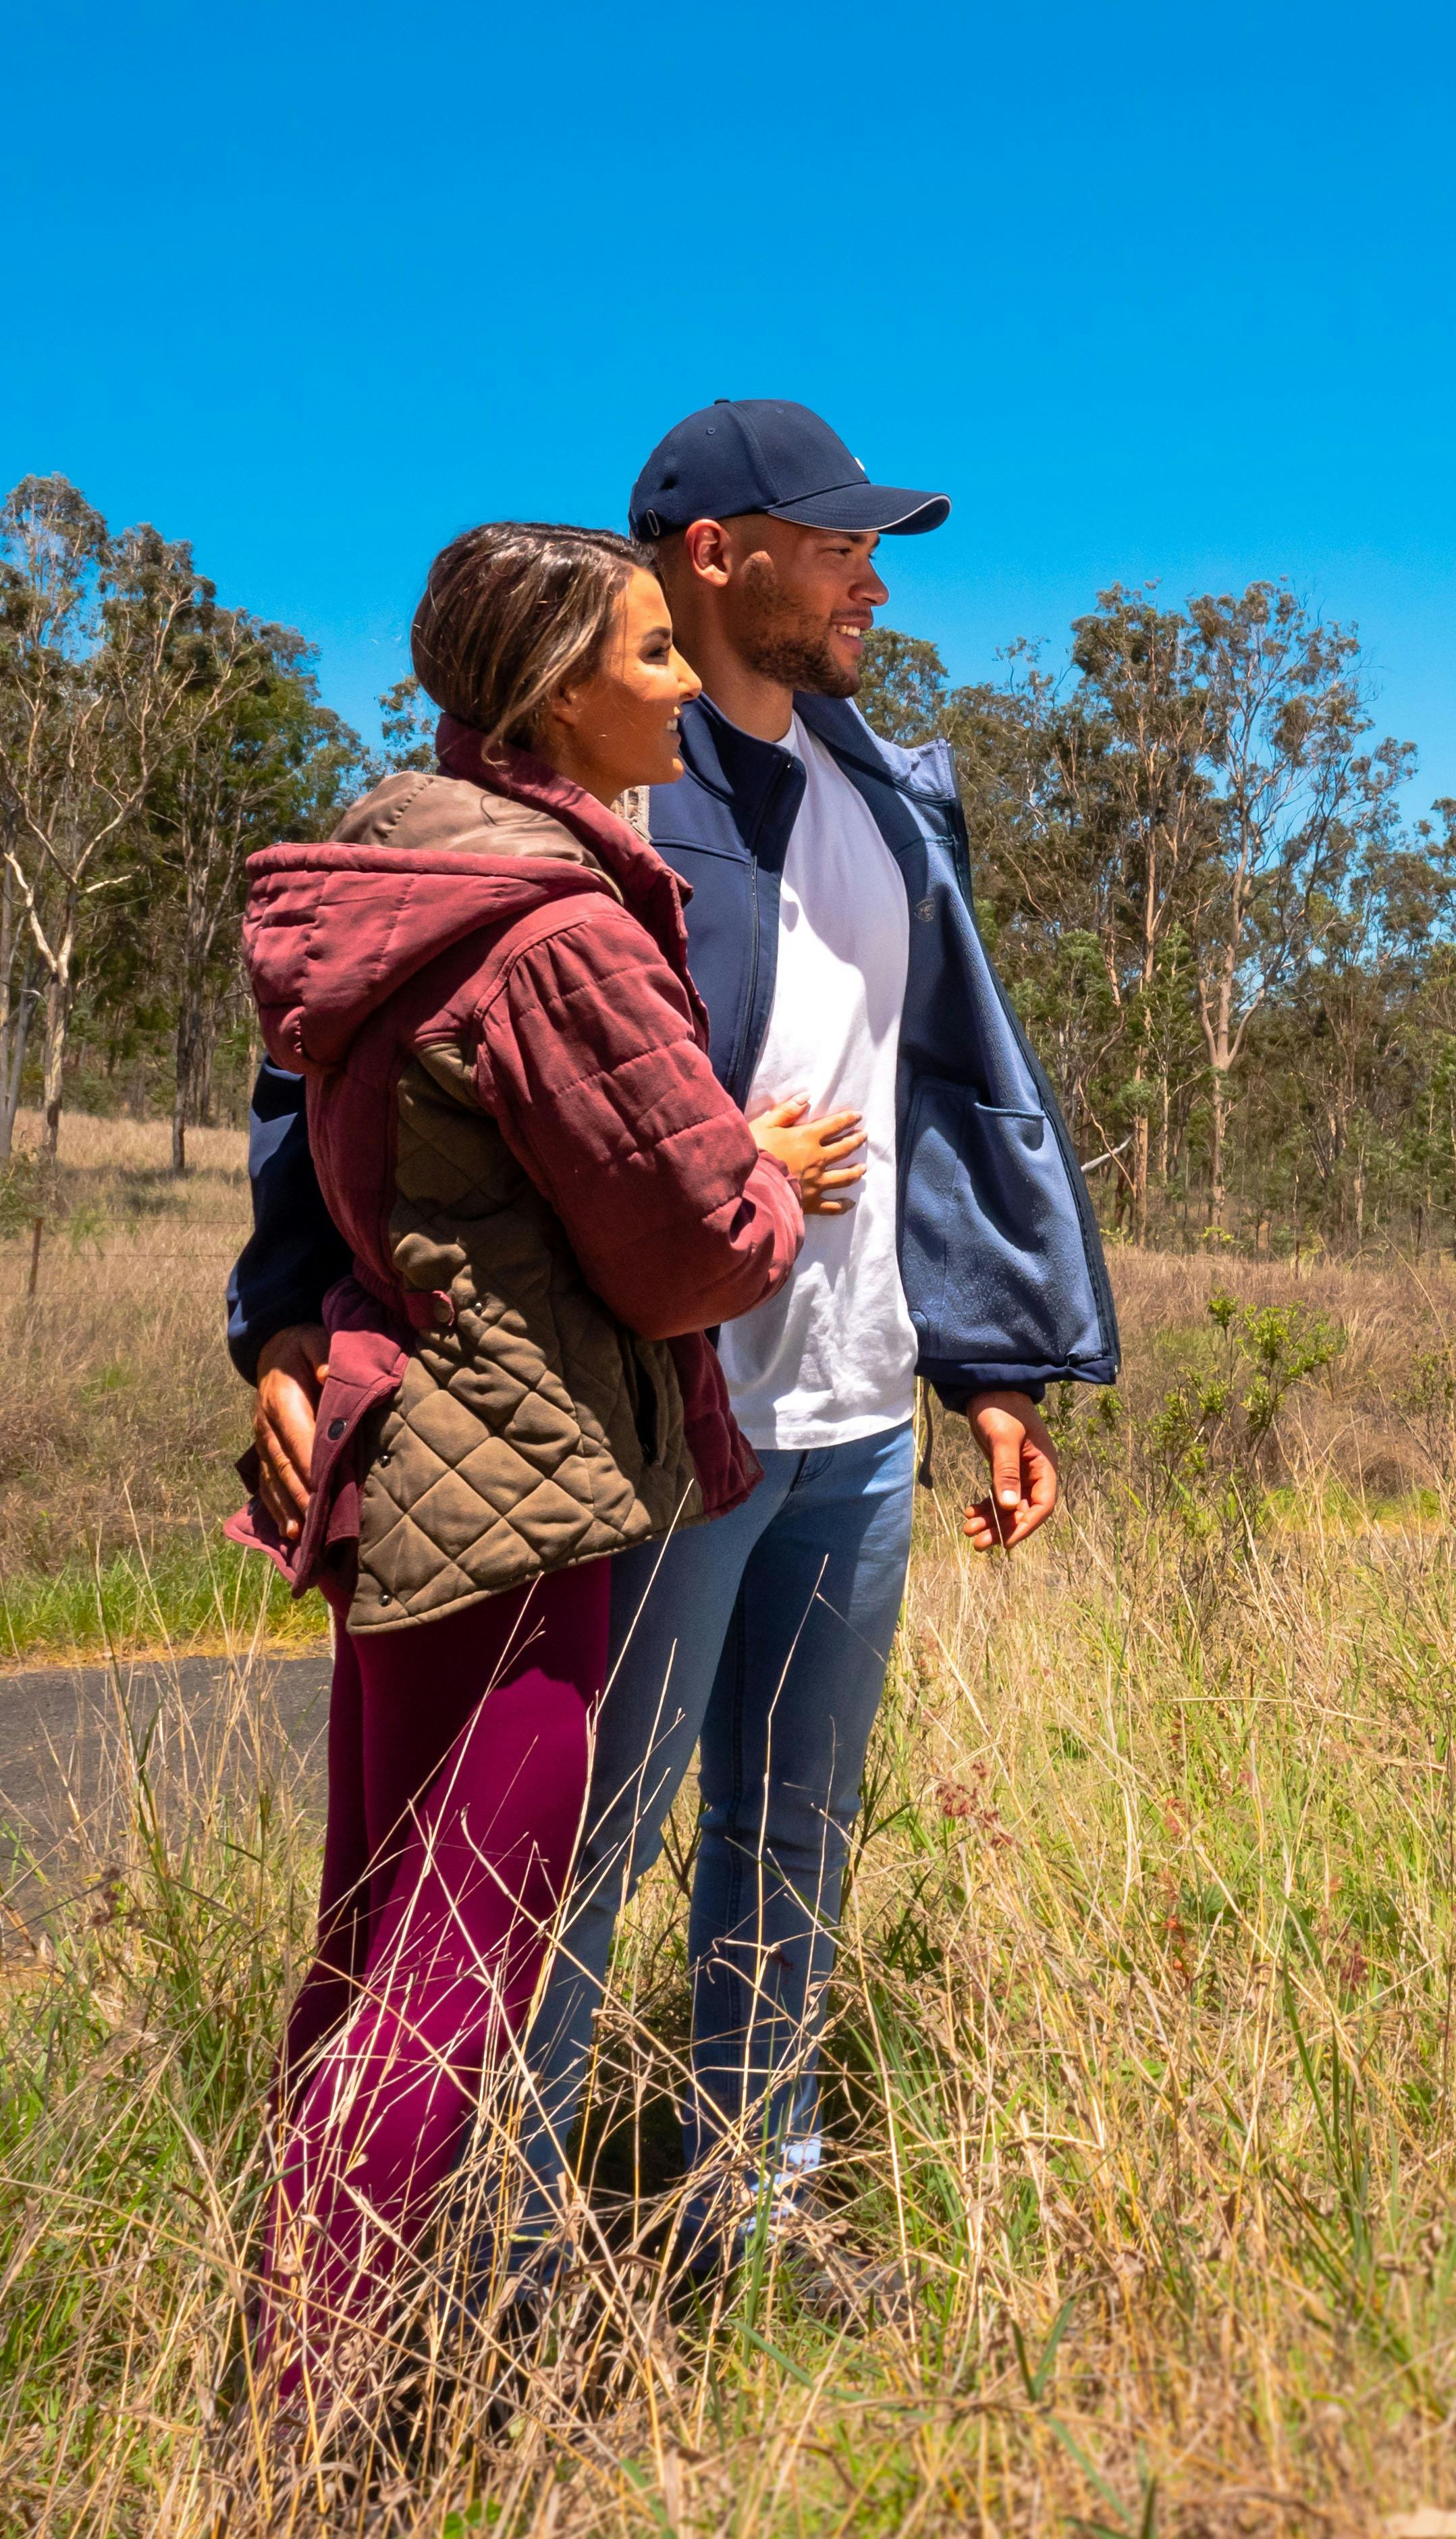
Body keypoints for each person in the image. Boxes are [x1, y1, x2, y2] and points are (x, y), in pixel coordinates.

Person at [229, 402, 1119, 2312]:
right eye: (840, 544)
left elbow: (939, 1091)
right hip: (659, 1424)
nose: (876, 582)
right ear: (717, 555)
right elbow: (338, 1051)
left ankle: (750, 2205)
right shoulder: (596, 788)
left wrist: (991, 1365)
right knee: (578, 1852)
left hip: (856, 1410)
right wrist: (285, 1312)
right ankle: (513, 2267)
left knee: (793, 1833)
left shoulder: (887, 793)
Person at [234, 523, 813, 2400]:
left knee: (372, 1944)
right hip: (521, 1485)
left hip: (404, 1455)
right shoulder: (561, 933)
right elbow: (683, 1250)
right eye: (650, 653)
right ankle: (319, 2433)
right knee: (454, 1975)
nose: (681, 682)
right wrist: (765, 1180)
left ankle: (278, 2371)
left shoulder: (397, 875)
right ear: (558, 695)